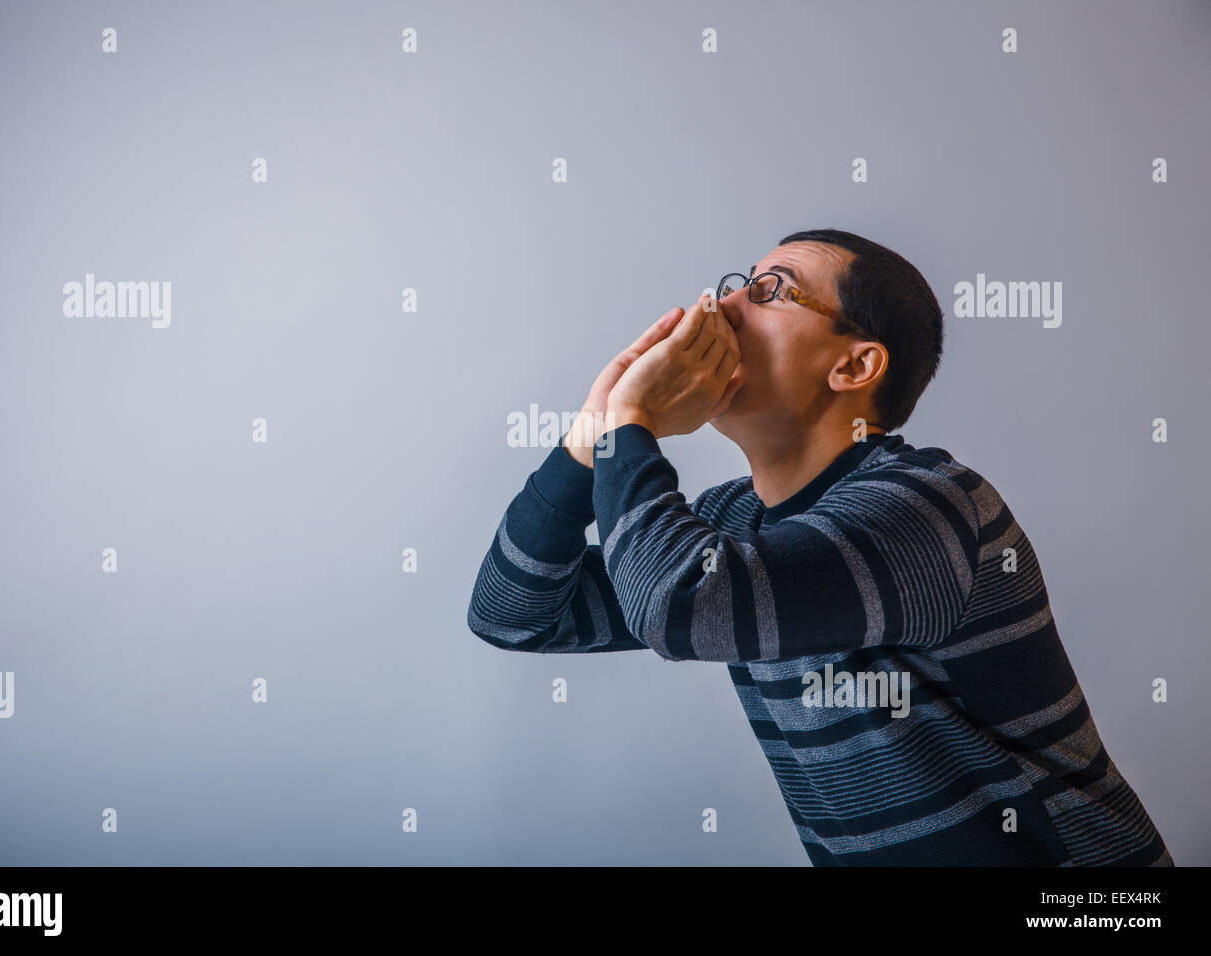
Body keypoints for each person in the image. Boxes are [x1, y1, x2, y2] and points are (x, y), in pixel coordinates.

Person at [466, 228, 1172, 866]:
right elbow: (514, 615)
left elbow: (681, 606)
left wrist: (630, 424)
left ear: (855, 366)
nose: (725, 307)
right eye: (736, 283)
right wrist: (589, 440)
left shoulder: (930, 505)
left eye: (771, 290)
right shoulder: (731, 524)